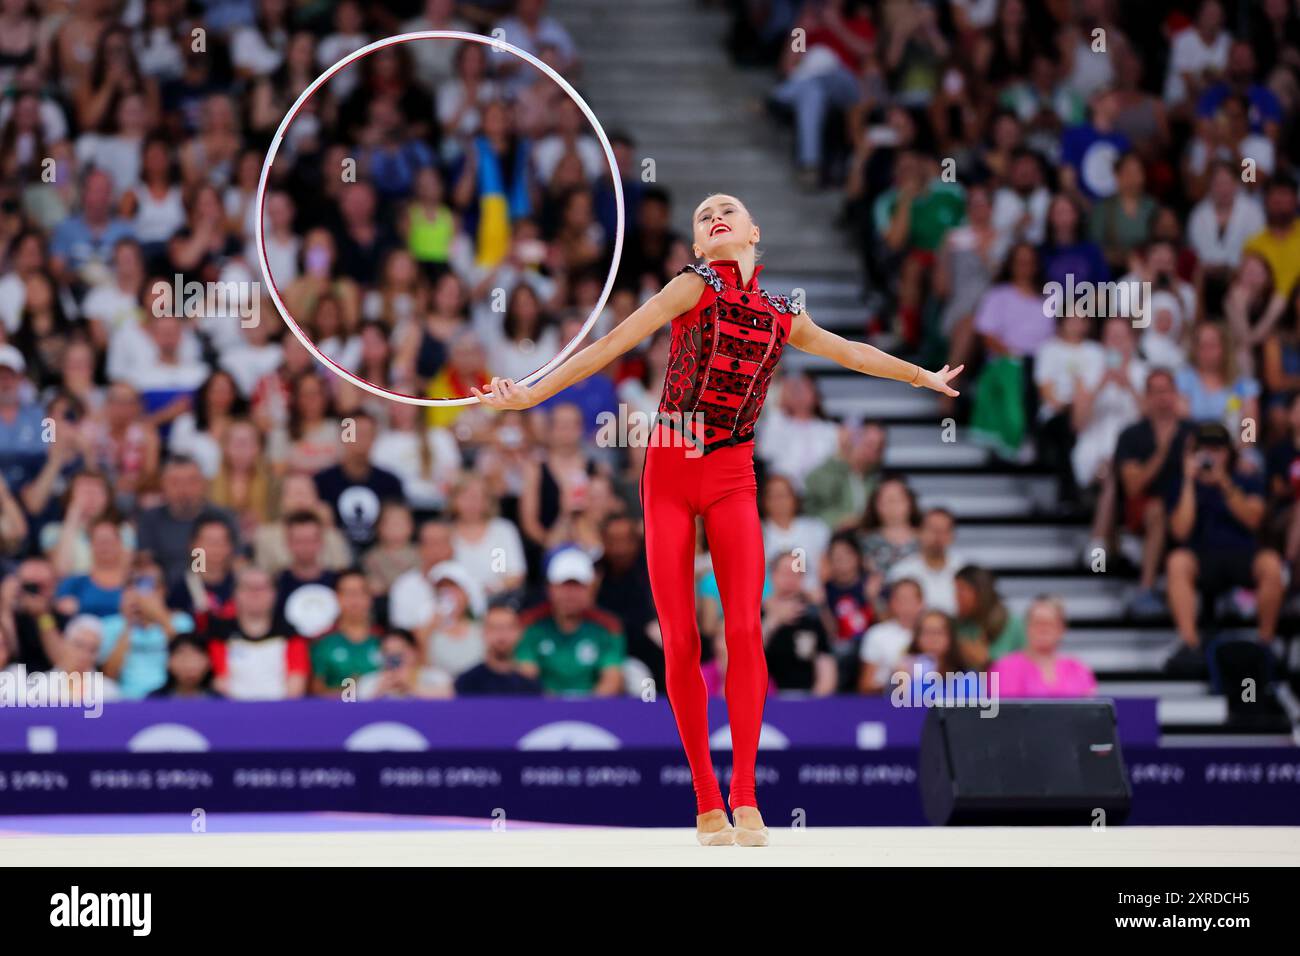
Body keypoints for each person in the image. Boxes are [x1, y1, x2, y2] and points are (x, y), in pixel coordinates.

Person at [475, 193, 962, 845]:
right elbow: (614, 341)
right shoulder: (690, 286)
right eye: (704, 217)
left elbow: (852, 352)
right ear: (700, 245)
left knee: (744, 629)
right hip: (671, 466)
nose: (717, 217)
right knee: (681, 638)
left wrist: (922, 376)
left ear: (754, 232)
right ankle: (707, 801)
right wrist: (532, 392)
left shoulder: (784, 314)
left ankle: (747, 797)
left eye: (729, 209)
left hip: (732, 473)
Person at [1164, 421, 1283, 674]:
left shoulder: (1246, 478)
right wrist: (1188, 481)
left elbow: (1254, 519)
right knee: (1177, 562)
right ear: (1194, 452)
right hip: (1202, 557)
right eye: (1205, 448)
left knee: (1271, 563)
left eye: (1217, 448)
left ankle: (1265, 644)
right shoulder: (1181, 482)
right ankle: (1190, 644)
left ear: (1229, 451)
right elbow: (1179, 531)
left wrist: (1225, 483)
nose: (1211, 455)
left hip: (1242, 555)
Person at [514, 548, 625, 697]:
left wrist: (583, 708)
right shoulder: (530, 624)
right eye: (564, 586)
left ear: (590, 589)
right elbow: (527, 677)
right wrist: (560, 708)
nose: (570, 594)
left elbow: (611, 679)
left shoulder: (608, 626)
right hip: (543, 707)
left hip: (594, 708)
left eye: (578, 586)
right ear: (550, 588)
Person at [990, 596, 1097, 698]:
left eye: (1050, 624)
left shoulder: (1078, 669)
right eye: (1037, 623)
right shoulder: (1004, 668)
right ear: (1026, 626)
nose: (1043, 630)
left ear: (1061, 628)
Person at [454, 601, 544, 696]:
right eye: (495, 628)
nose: (502, 635)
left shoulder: (530, 683)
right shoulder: (466, 682)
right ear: (484, 633)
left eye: (509, 627)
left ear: (519, 633)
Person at [886, 508, 963, 615]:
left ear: (952, 536)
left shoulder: (963, 569)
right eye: (932, 530)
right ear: (919, 533)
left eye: (943, 530)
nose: (937, 537)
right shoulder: (901, 572)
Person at [858, 577, 924, 694]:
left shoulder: (932, 634)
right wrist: (894, 685)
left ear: (921, 603)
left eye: (911, 599)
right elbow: (865, 686)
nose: (906, 605)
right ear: (892, 603)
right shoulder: (876, 634)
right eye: (901, 599)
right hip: (886, 703)